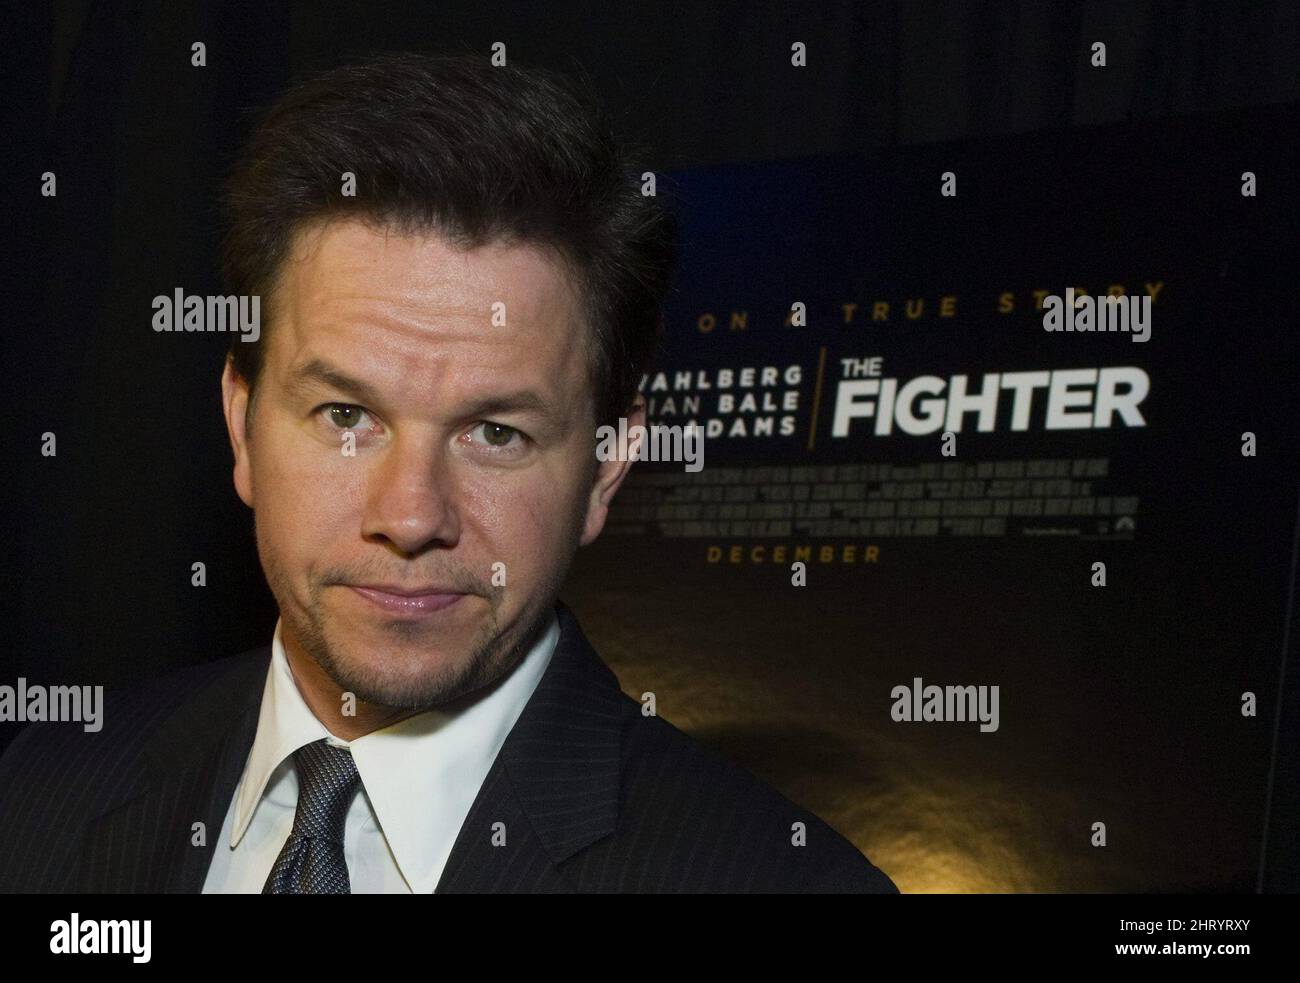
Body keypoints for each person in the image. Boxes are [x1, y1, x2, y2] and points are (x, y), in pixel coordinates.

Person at [0, 52, 897, 894]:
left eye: (496, 432)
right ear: (242, 425)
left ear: (607, 466)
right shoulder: (39, 792)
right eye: (346, 416)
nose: (411, 514)